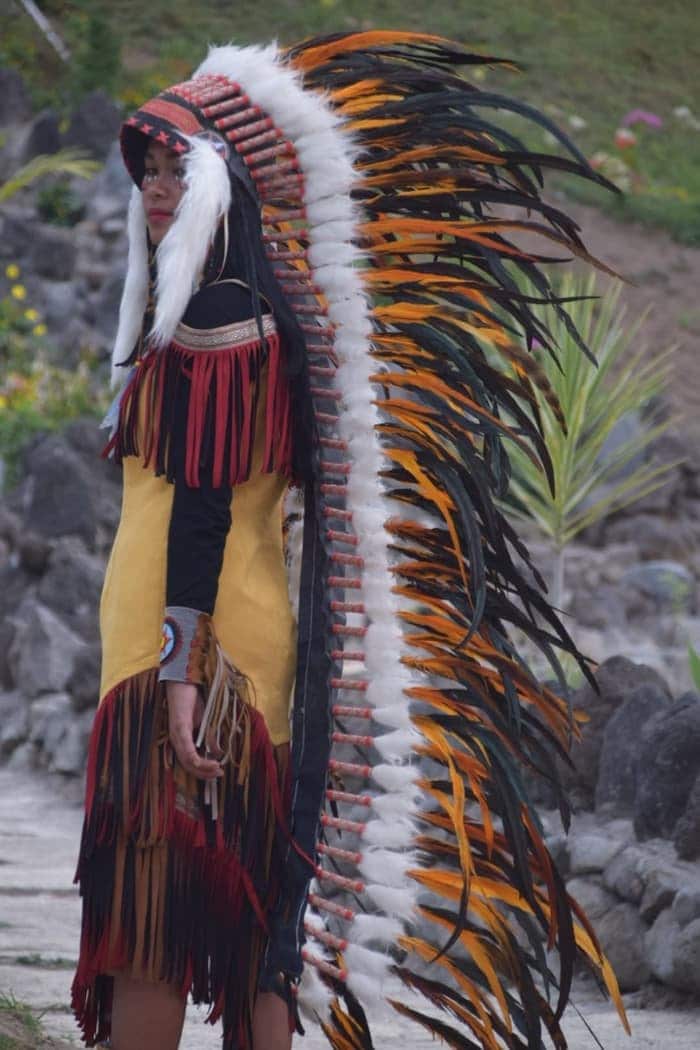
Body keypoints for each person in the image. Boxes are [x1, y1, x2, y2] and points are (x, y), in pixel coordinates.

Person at [72, 31, 628, 1050]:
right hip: (236, 647)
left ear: (223, 181)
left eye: (173, 167)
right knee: (252, 932)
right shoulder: (260, 310)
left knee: (146, 931)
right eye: (144, 168)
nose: (154, 188)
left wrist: (180, 668)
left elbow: (200, 501)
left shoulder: (217, 309)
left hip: (187, 656)